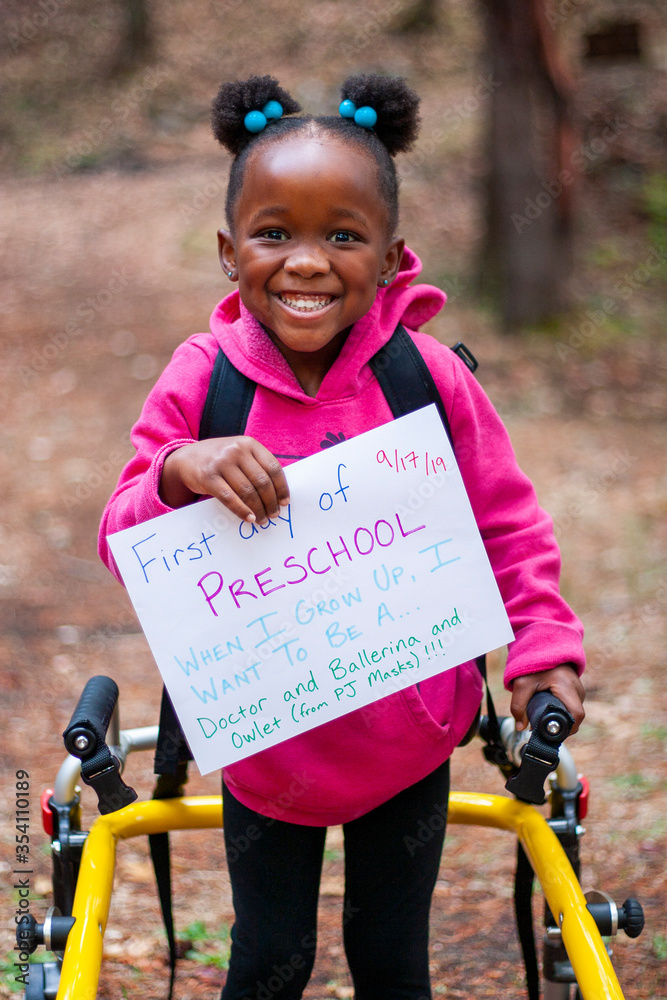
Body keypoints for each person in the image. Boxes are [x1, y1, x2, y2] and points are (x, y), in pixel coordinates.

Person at [99, 73, 585, 1000]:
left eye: (343, 236)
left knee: (393, 961)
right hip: (267, 745)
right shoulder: (203, 382)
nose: (308, 262)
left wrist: (542, 654)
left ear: (393, 254)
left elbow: (507, 524)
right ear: (227, 249)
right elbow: (122, 535)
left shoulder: (426, 378)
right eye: (274, 232)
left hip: (407, 738)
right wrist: (178, 469)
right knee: (269, 961)